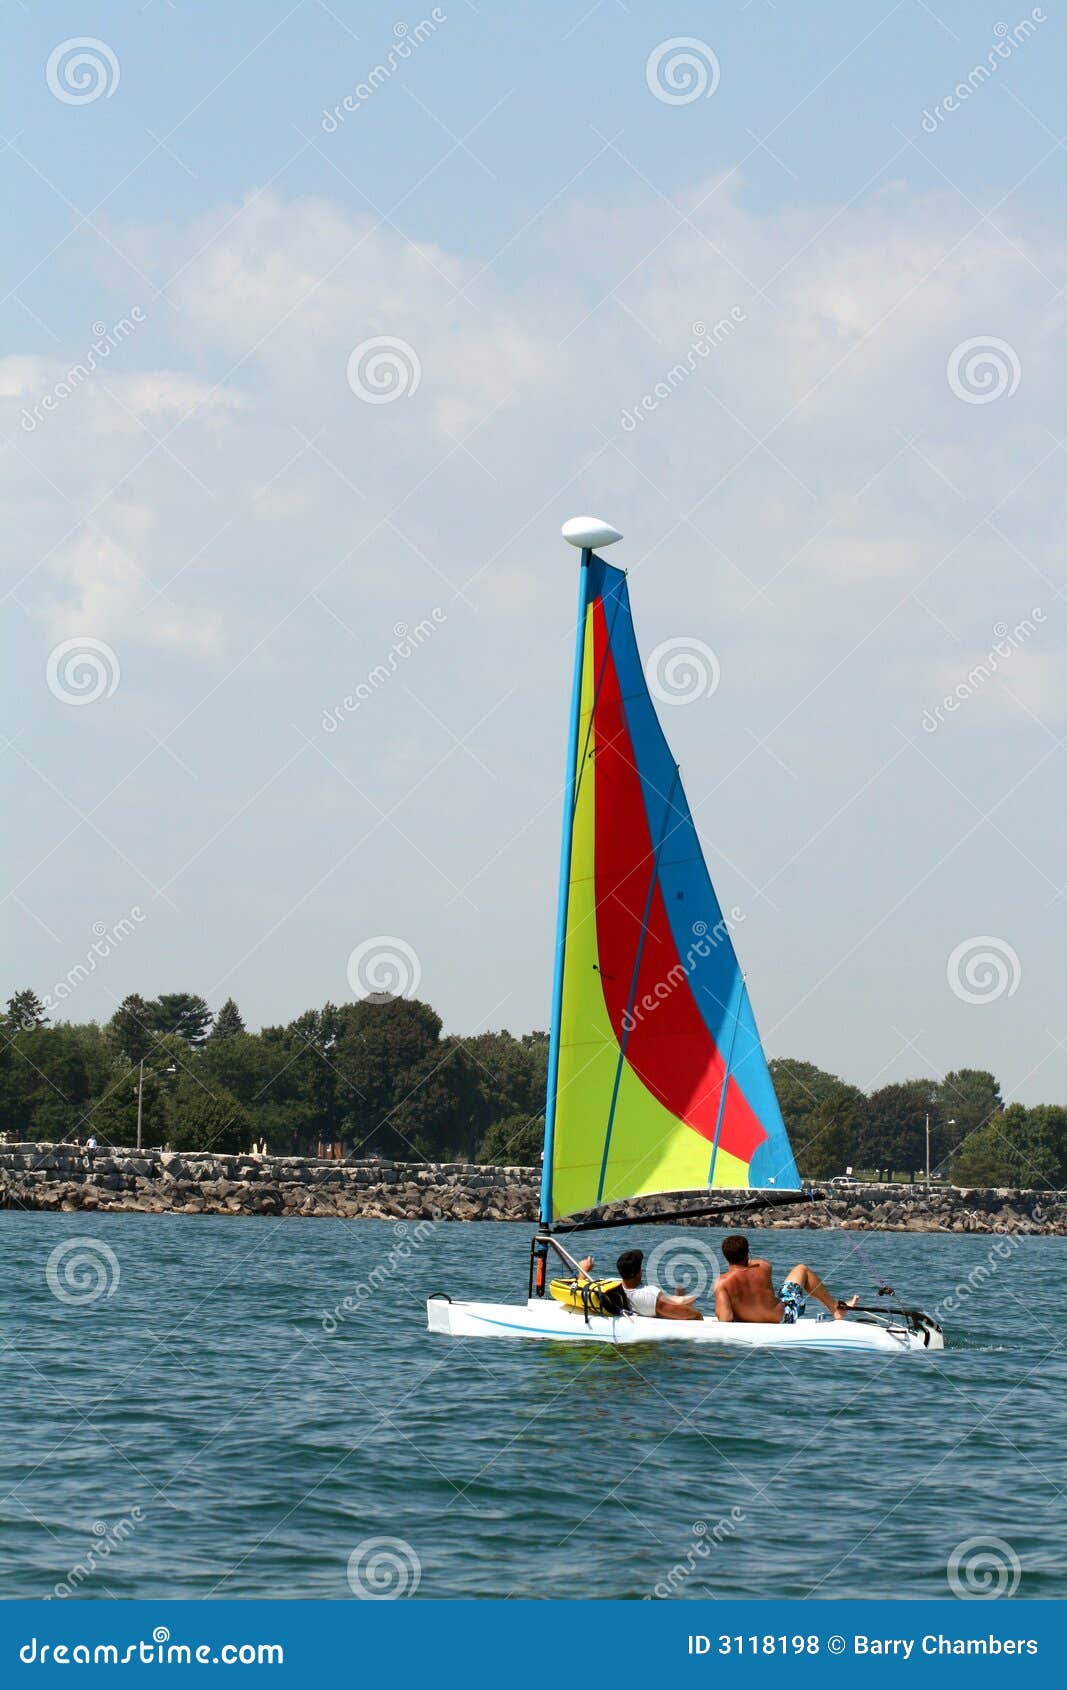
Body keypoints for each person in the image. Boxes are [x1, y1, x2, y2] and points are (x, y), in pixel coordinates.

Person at [713, 1234, 858, 1325]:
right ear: (747, 1253)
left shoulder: (722, 1283)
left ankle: (836, 1309)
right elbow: (750, 1264)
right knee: (801, 1269)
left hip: (752, 1321)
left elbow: (726, 1319)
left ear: (725, 1257)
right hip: (785, 1317)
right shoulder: (764, 1266)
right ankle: (835, 1308)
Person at [578, 1248, 703, 1321]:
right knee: (687, 1299)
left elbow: (582, 1287)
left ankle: (679, 1298)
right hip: (655, 1308)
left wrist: (583, 1271)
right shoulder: (649, 1296)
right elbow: (692, 1315)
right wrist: (698, 1315)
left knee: (682, 1296)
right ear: (639, 1273)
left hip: (645, 1305)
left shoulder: (612, 1284)